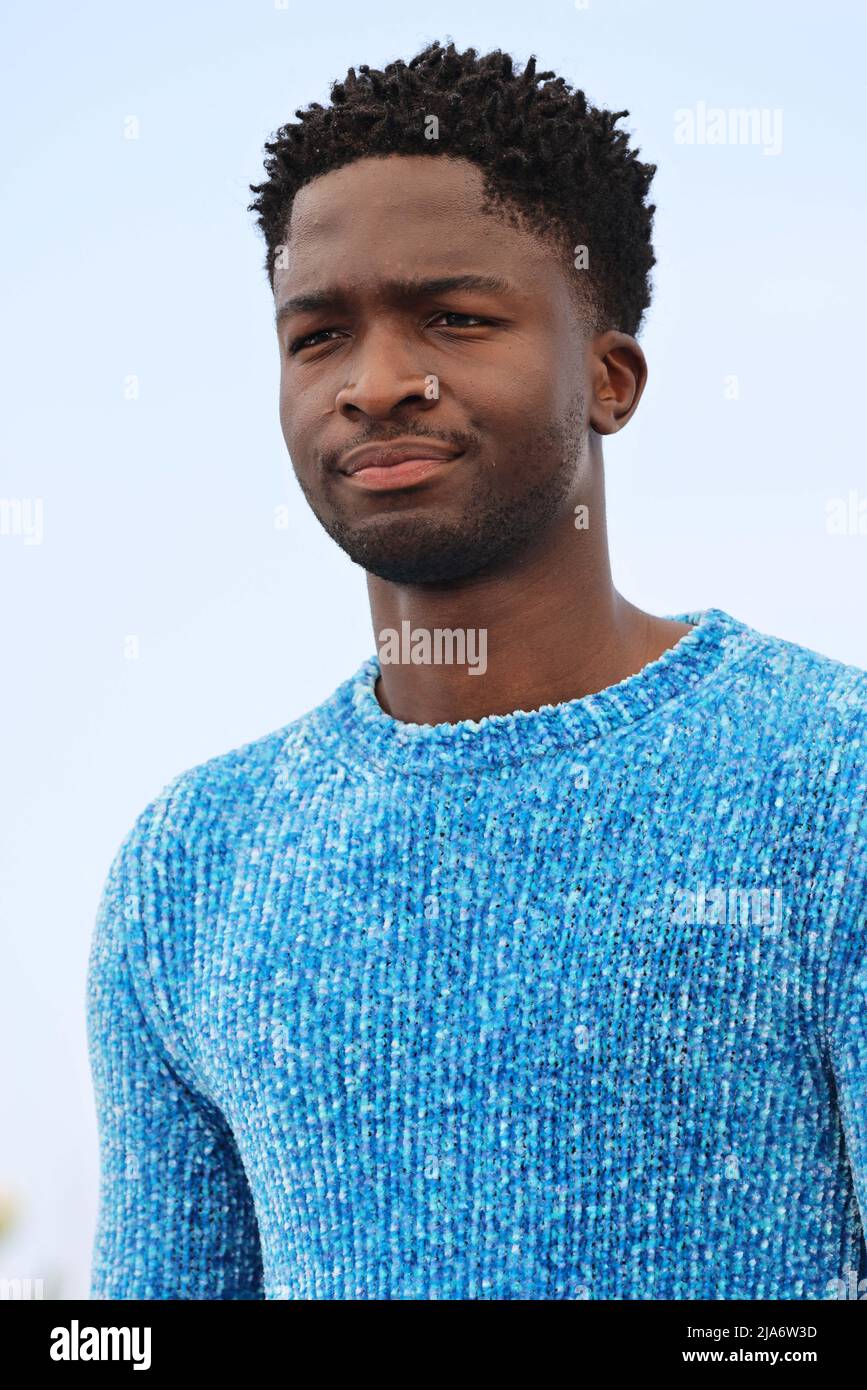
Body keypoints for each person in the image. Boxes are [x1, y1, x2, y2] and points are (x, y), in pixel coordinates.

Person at [87, 40, 866, 1300]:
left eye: (454, 318)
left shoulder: (833, 781)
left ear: (609, 379)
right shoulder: (190, 866)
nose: (377, 384)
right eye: (318, 334)